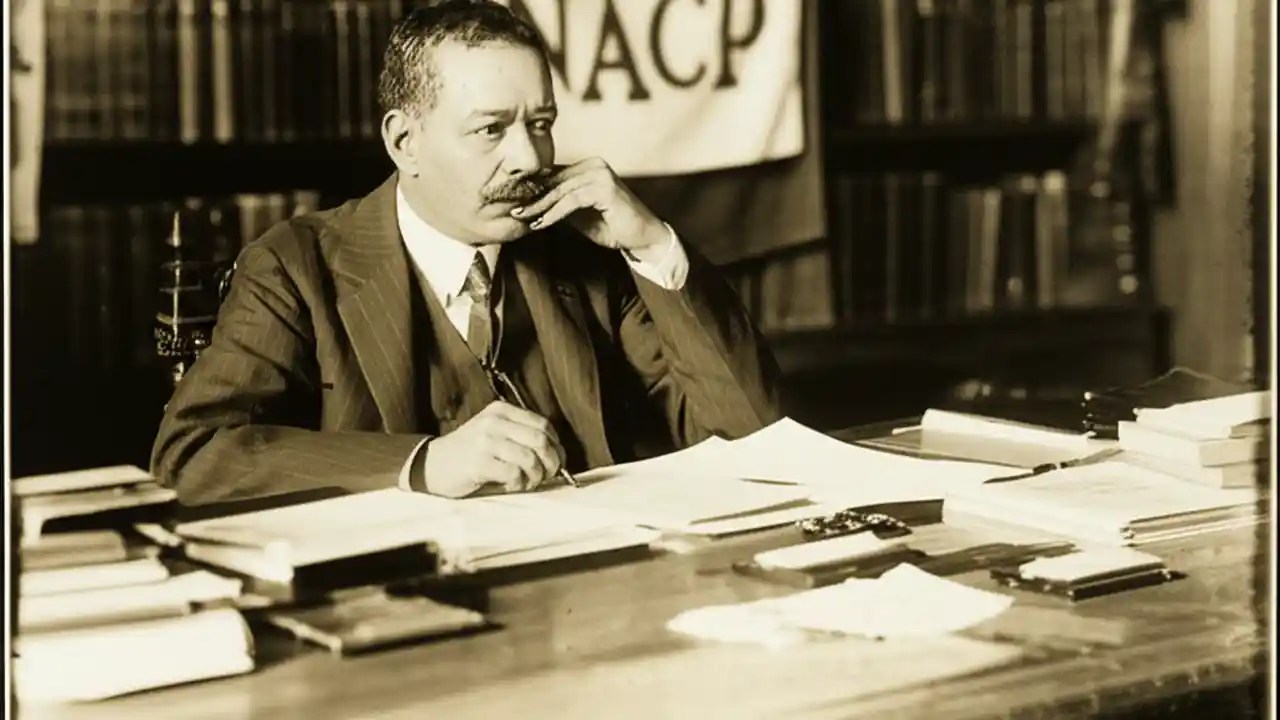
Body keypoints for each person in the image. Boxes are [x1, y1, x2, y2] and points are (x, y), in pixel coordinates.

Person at [151, 0, 781, 505]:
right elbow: (193, 455)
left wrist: (652, 245)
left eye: (541, 123)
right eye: (490, 129)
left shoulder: (584, 254)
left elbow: (758, 439)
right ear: (405, 142)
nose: (531, 159)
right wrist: (420, 464)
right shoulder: (295, 266)